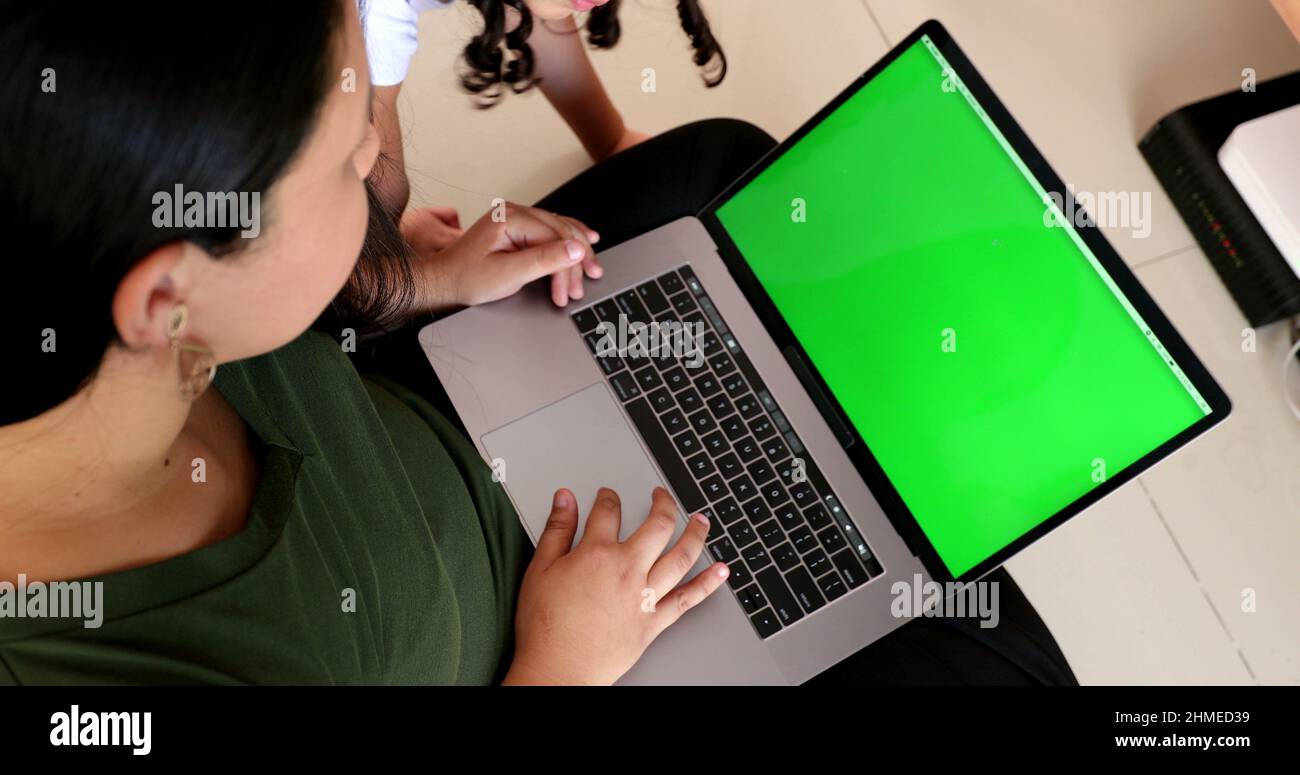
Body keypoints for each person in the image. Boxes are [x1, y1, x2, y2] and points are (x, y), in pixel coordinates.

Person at [0, 0, 727, 685]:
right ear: (166, 303)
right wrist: (562, 662)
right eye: (350, 159)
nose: (377, 147)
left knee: (722, 164)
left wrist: (430, 280)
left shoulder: (120, 287)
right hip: (553, 631)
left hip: (413, 406)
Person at [364, 0, 727, 307]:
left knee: (726, 157)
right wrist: (439, 280)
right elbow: (324, 299)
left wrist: (610, 141)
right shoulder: (361, 34)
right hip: (348, 347)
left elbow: (528, 11)